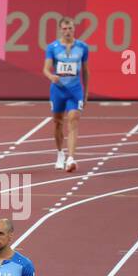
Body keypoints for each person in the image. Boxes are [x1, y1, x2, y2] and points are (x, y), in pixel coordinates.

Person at [43, 16, 90, 172]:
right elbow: (46, 68)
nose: (68, 31)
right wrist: (52, 77)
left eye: (70, 28)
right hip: (57, 90)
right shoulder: (52, 47)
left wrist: (87, 91)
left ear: (74, 29)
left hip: (75, 90)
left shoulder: (82, 47)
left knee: (73, 119)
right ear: (60, 30)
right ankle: (60, 154)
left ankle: (71, 158)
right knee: (57, 123)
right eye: (64, 28)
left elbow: (85, 70)